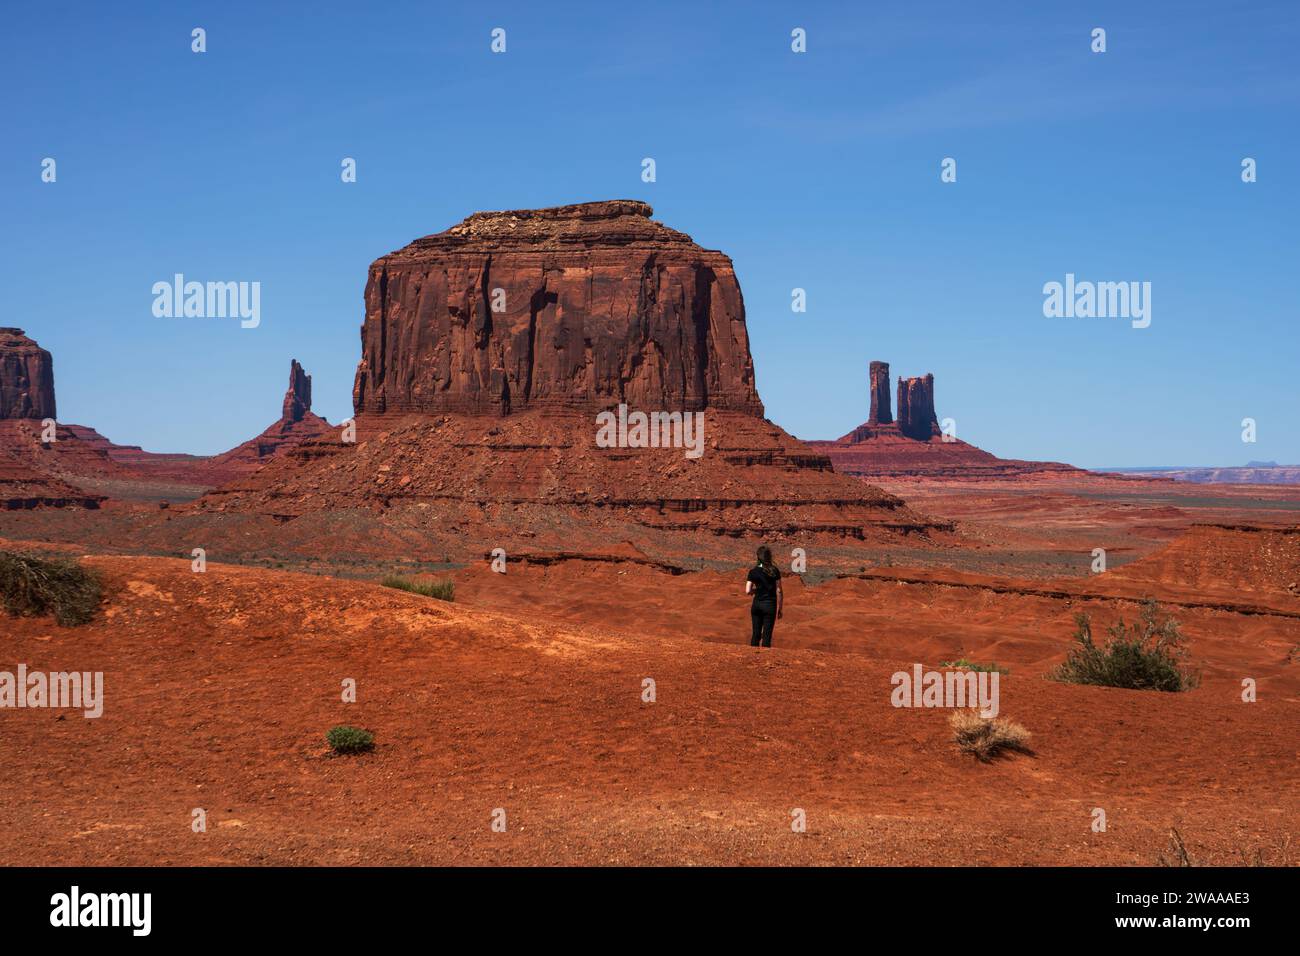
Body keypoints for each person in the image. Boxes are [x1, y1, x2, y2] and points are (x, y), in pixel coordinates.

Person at [744, 545, 783, 648]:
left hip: (756, 605)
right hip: (770, 606)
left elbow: (747, 591)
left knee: (756, 634)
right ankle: (764, 660)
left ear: (758, 557)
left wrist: (756, 591)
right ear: (769, 557)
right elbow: (779, 590)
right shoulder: (774, 570)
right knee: (767, 636)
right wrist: (780, 608)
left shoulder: (753, 571)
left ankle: (752, 658)